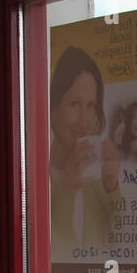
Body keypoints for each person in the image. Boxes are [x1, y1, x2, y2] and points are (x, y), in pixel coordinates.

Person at [49, 46, 122, 252]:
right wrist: (68, 190)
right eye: (74, 104)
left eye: (90, 106)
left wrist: (112, 186)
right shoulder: (34, 181)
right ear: (53, 109)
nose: (85, 122)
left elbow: (122, 248)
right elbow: (56, 257)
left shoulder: (96, 180)